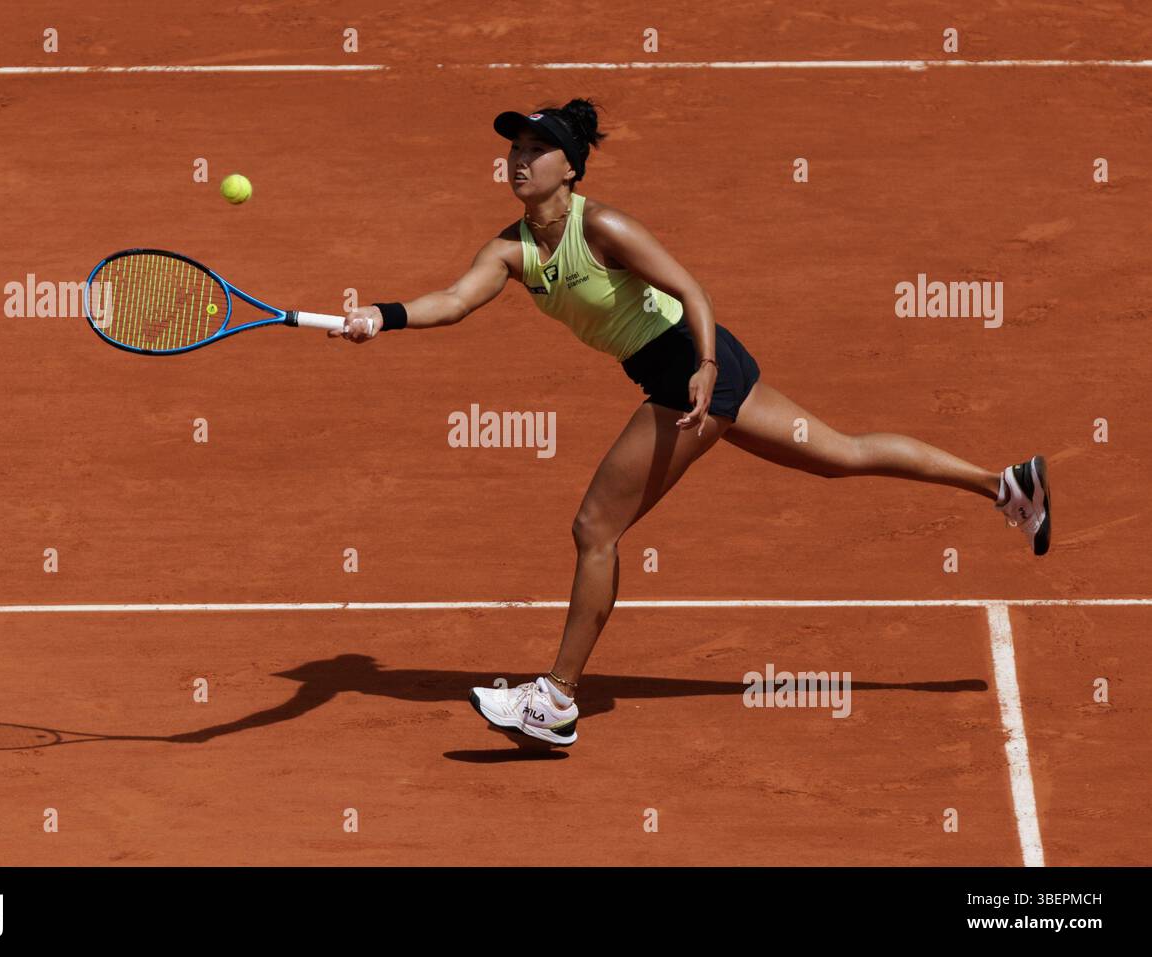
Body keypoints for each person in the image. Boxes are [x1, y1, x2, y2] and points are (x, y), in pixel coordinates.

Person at [332, 98, 1051, 747]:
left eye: (535, 149)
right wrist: (379, 316)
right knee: (839, 453)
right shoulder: (510, 250)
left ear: (569, 169)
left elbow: (689, 287)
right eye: (514, 147)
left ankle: (555, 698)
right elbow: (453, 301)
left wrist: (705, 366)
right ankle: (1004, 485)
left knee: (595, 528)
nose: (518, 159)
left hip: (694, 373)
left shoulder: (603, 227)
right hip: (701, 373)